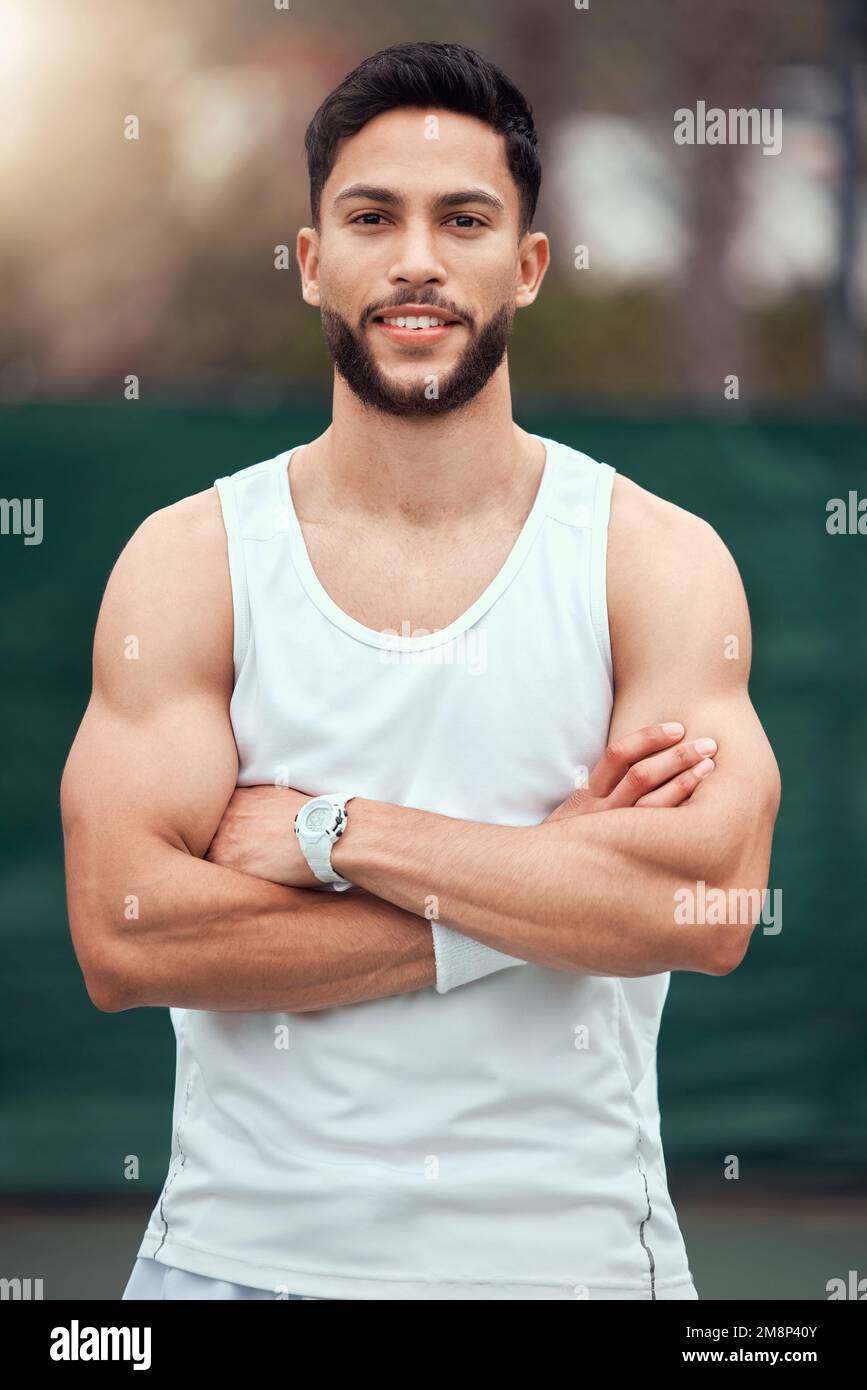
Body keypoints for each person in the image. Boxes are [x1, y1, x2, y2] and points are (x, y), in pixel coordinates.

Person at [60, 41, 780, 1301]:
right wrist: (545, 893)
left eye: (464, 219)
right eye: (371, 216)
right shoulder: (188, 561)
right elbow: (125, 934)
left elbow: (707, 911)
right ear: (309, 262)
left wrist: (339, 831)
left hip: (578, 1272)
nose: (416, 260)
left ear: (529, 264)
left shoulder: (653, 558)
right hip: (232, 1271)